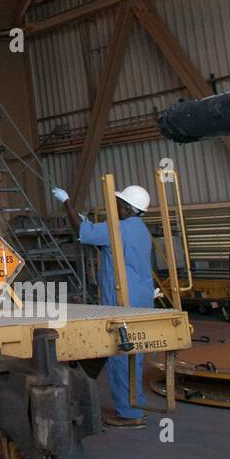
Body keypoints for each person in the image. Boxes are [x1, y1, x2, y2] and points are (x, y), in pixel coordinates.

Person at [53, 182, 155, 429]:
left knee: (120, 357)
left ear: (128, 208)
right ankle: (136, 404)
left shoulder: (119, 228)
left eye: (120, 205)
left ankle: (129, 414)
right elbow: (102, 240)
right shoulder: (140, 230)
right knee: (135, 357)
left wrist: (66, 202)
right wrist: (84, 220)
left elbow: (82, 233)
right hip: (141, 300)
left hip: (121, 302)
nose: (116, 208)